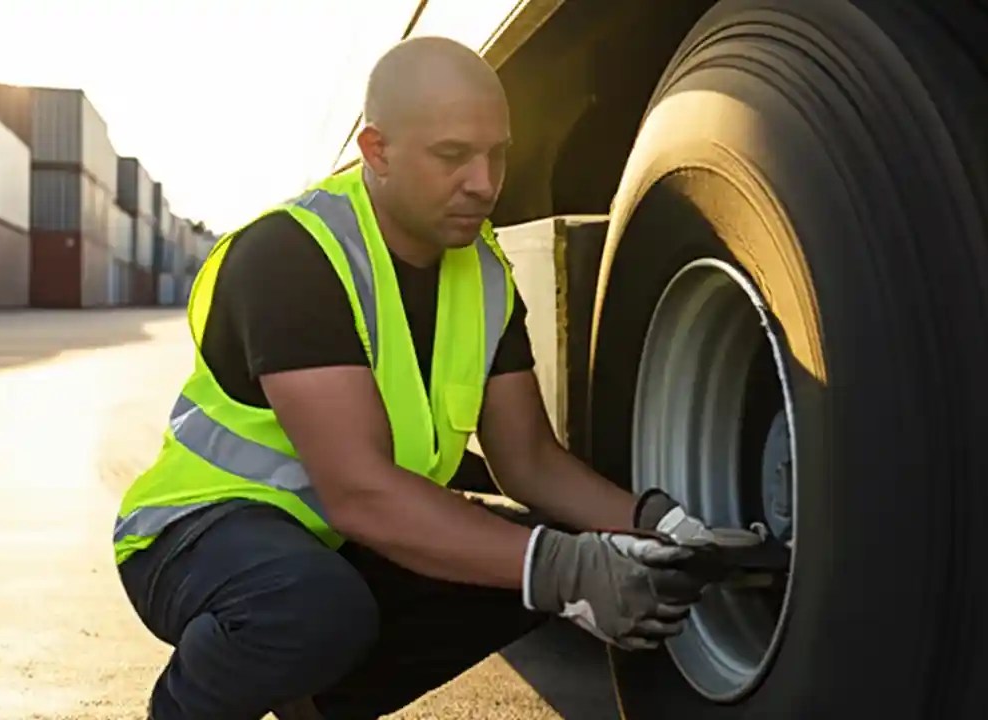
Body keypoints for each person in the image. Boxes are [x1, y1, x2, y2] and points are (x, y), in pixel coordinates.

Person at [113, 35, 738, 720]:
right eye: (453, 156)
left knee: (516, 558)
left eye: (495, 153)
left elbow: (528, 461)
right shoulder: (295, 257)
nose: (485, 182)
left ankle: (314, 702)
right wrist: (564, 570)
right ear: (376, 150)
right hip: (196, 536)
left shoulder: (482, 275)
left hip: (328, 544)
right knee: (323, 605)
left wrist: (659, 525)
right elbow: (359, 494)